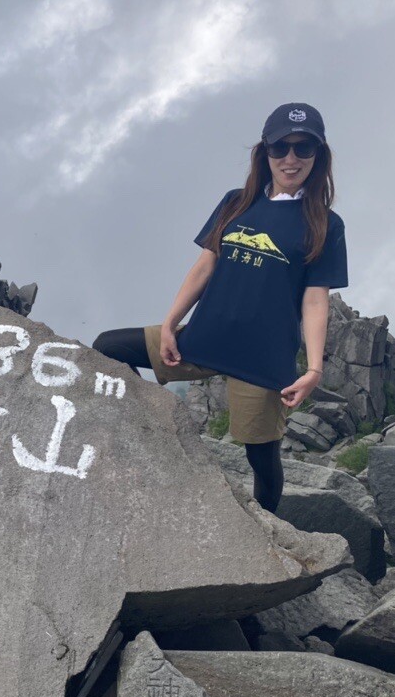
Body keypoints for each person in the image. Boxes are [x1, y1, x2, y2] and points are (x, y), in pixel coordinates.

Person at [93, 103, 347, 513]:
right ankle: (145, 437)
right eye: (280, 147)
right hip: (202, 340)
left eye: (304, 148)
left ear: (318, 155)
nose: (291, 158)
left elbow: (316, 299)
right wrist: (171, 323)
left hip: (262, 359)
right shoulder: (236, 202)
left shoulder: (325, 224)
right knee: (108, 346)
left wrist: (314, 370)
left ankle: (266, 533)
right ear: (264, 152)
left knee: (261, 457)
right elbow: (204, 266)